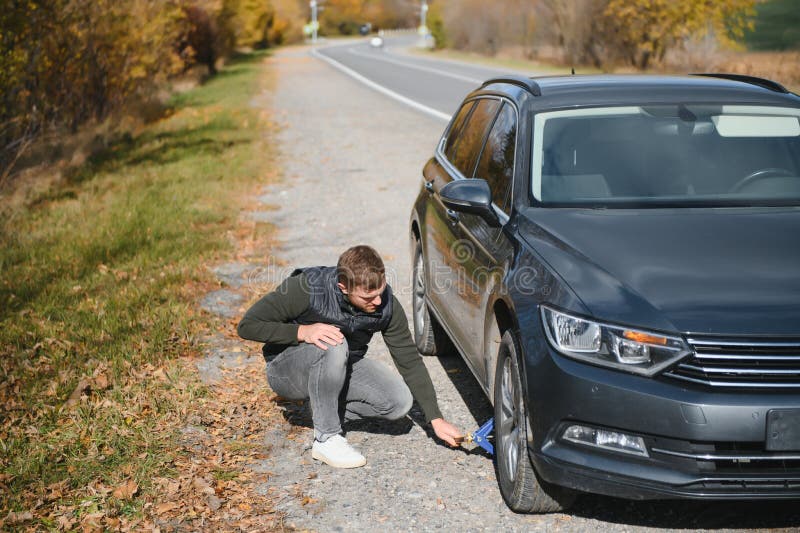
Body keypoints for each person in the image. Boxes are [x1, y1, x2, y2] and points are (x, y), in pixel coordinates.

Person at [237, 245, 464, 468]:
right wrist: (302, 332)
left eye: (380, 292)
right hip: (286, 370)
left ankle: (320, 410)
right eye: (367, 297)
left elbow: (409, 359)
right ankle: (327, 438)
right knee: (334, 341)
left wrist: (435, 417)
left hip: (338, 364)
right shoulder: (307, 288)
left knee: (399, 403)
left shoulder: (387, 305)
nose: (376, 302)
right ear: (343, 287)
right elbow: (248, 325)